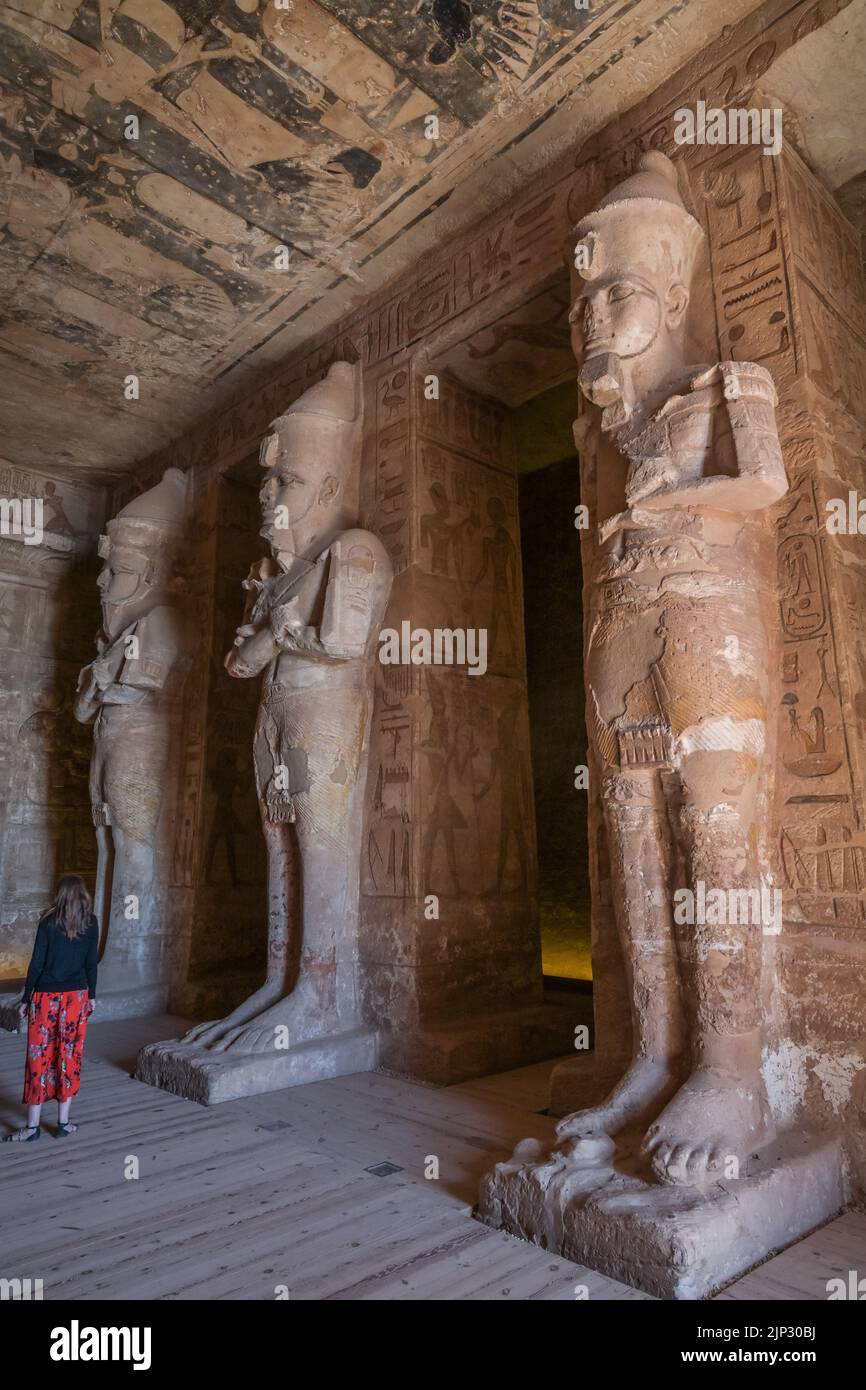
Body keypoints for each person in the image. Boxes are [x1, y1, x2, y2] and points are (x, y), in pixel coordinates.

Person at [4, 875, 97, 1142]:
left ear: (60, 894)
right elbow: (91, 963)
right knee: (69, 1056)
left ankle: (32, 1128)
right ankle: (63, 1123)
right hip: (76, 997)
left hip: (45, 996)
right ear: (82, 895)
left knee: (39, 1057)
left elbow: (36, 964)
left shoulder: (47, 922)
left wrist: (25, 998)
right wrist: (92, 995)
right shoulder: (91, 923)